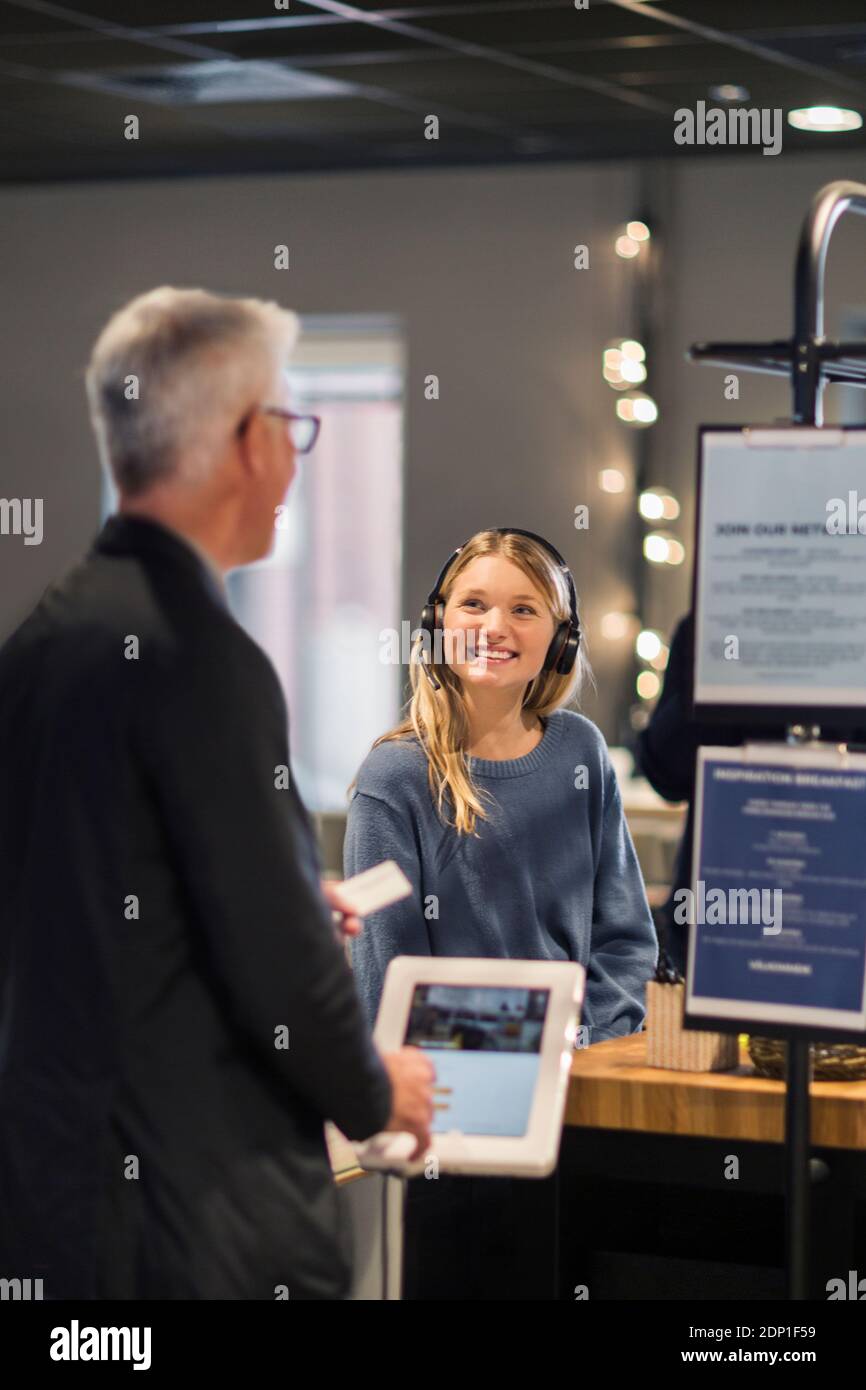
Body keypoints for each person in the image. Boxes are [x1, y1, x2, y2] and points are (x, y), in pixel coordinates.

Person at [0, 285, 433, 1300]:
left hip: (51, 1196)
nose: (293, 458)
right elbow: (277, 968)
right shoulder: (203, 659)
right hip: (189, 1216)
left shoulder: (38, 642)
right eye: (290, 424)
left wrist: (274, 896)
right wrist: (377, 1088)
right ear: (247, 439)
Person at [343, 526, 657, 1297]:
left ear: (559, 636)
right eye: (474, 603)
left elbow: (622, 939)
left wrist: (583, 1046)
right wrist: (512, 1060)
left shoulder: (582, 753)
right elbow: (389, 986)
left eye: (525, 609)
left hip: (580, 1104)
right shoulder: (395, 776)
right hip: (457, 1122)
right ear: (439, 622)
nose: (495, 627)